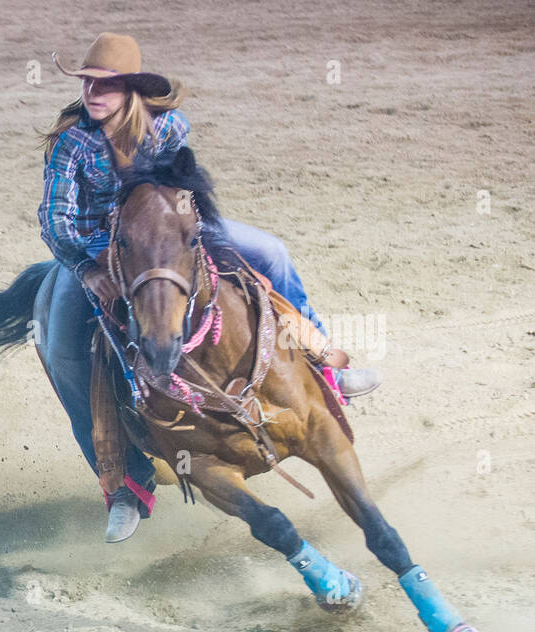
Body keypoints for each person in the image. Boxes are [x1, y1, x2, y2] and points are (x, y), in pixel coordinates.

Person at [37, 32, 380, 543]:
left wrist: (179, 234)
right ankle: (124, 482)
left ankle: (323, 366)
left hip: (168, 238)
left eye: (104, 83)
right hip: (95, 250)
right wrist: (88, 269)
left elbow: (185, 192)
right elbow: (55, 219)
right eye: (86, 81)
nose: (91, 91)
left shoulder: (168, 126)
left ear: (130, 87)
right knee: (62, 348)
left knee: (271, 253)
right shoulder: (73, 141)